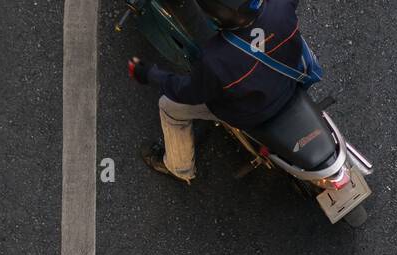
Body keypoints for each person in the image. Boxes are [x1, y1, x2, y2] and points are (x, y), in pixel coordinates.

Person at [127, 0, 306, 182]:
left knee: (168, 107)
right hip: (288, 84)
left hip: (250, 113)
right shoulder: (280, 7)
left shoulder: (214, 59)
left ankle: (179, 168)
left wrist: (151, 74)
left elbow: (188, 92)